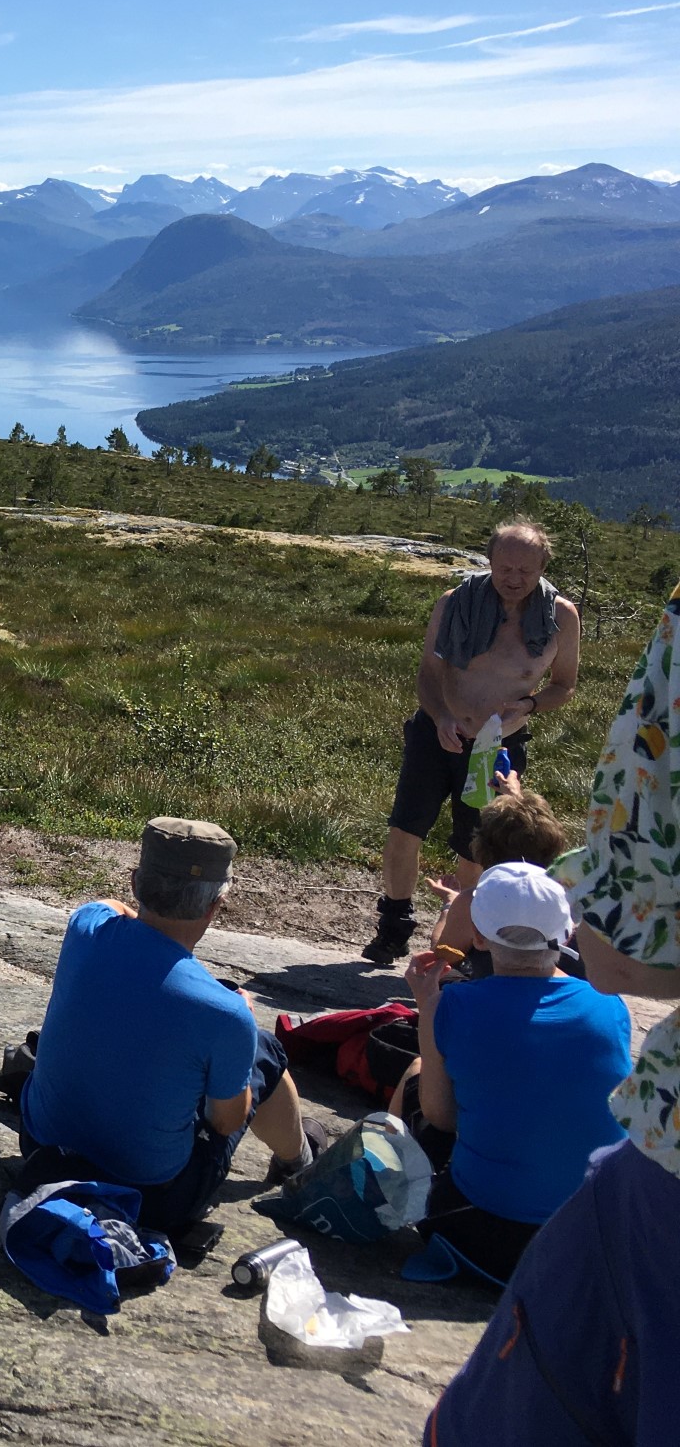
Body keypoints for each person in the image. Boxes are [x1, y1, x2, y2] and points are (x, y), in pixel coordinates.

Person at [424, 588, 680, 1447]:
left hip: (587, 1204)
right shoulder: (600, 1015)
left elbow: (439, 1111)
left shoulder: (477, 999)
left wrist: (433, 991)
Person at [18, 819, 322, 1236]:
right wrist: (239, 1025)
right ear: (216, 906)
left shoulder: (84, 927)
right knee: (262, 1048)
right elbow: (224, 1123)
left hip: (41, 1152)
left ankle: (299, 1157)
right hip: (149, 1197)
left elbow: (108, 907)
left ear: (135, 882)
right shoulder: (226, 1013)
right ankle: (300, 1163)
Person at [389, 863, 631, 1283]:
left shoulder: (455, 1006)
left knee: (417, 1069)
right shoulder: (610, 1006)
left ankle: (388, 1196)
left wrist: (427, 1005)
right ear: (566, 934)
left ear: (478, 938)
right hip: (586, 1241)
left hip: (481, 1238)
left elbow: (441, 1116)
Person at [368, 519, 579, 962]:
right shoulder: (454, 603)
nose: (514, 578)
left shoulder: (561, 617)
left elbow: (564, 687)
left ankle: (466, 946)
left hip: (495, 749)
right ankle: (394, 926)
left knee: (477, 847)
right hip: (436, 734)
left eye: (526, 570)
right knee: (405, 830)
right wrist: (441, 715)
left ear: (543, 566)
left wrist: (531, 706)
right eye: (505, 567)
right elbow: (428, 674)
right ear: (489, 561)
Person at [423, 775, 571, 978]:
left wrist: (449, 905)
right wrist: (515, 797)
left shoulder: (473, 901)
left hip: (499, 1001)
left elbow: (441, 960)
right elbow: (530, 833)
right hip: (569, 1000)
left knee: (446, 978)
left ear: (482, 847)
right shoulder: (571, 898)